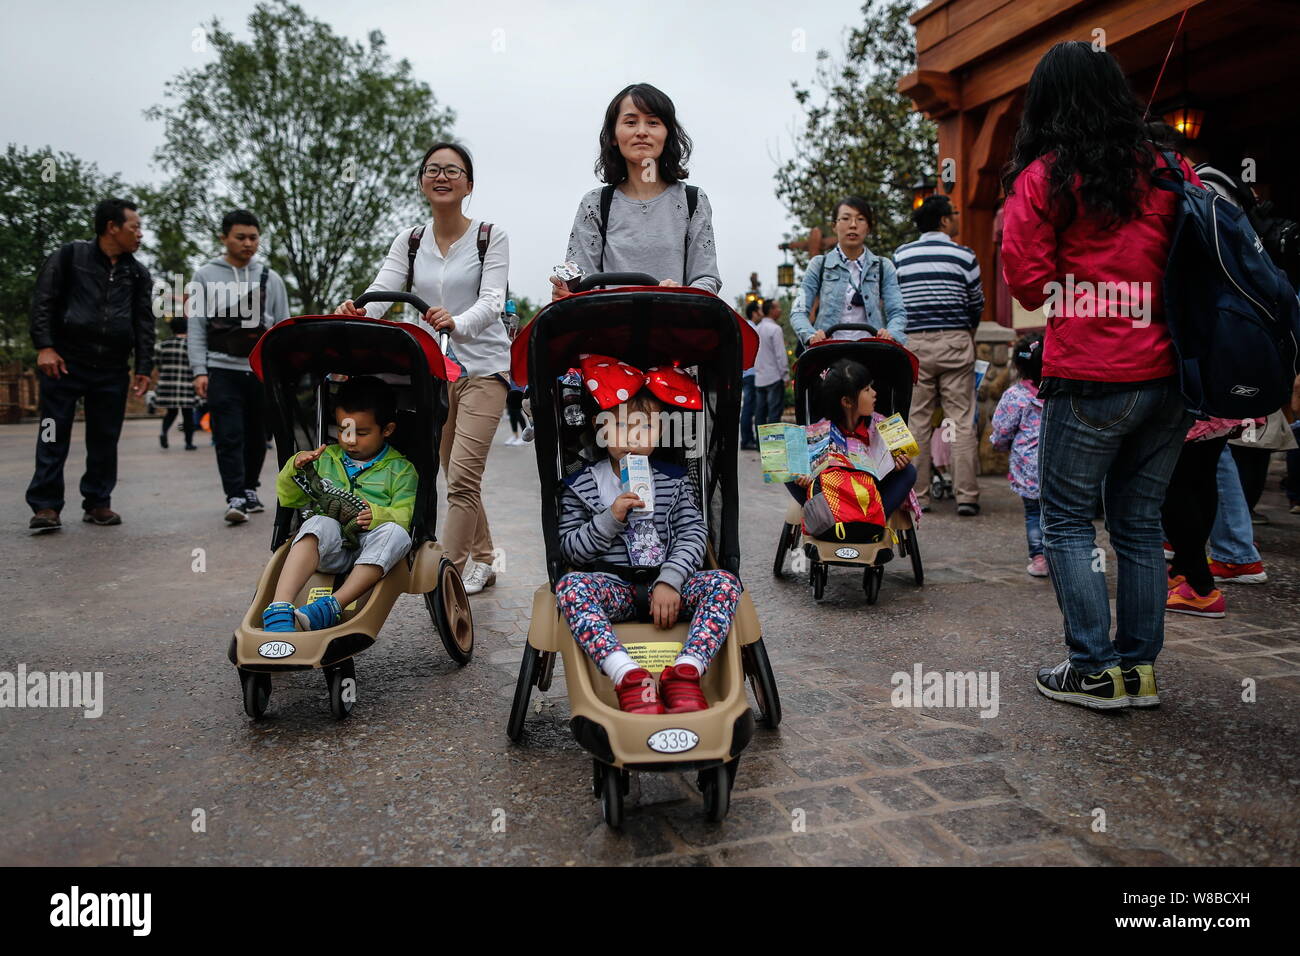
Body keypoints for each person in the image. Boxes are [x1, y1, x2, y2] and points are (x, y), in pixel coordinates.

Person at [1001, 41, 1203, 711]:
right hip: (1173, 374)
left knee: (1065, 524)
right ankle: (1138, 670)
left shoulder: (1047, 177)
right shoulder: (1174, 168)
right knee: (1141, 525)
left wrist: (1086, 290)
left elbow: (1026, 279)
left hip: (1091, 373)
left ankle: (1091, 668)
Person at [337, 142, 510, 596]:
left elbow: (493, 301)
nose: (442, 177)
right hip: (431, 373)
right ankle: (486, 559)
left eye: (453, 171)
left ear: (468, 185)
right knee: (453, 471)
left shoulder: (491, 236)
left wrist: (458, 320)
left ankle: (442, 574)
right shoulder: (410, 240)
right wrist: (357, 314)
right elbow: (383, 290)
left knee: (464, 477)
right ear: (421, 182)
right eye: (432, 169)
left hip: (483, 369)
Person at [554, 373, 740, 715]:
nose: (634, 439)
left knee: (725, 584)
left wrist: (671, 579)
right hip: (611, 586)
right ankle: (625, 674)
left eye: (646, 429)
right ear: (601, 427)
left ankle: (687, 670)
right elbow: (571, 549)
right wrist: (610, 517)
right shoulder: (580, 486)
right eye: (623, 427)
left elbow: (693, 533)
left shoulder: (673, 480)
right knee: (570, 587)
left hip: (670, 585)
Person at [27, 198, 155, 534]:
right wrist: (45, 347)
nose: (140, 234)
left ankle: (98, 502)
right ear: (112, 227)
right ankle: (45, 505)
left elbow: (144, 323)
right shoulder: (69, 257)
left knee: (104, 438)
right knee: (53, 433)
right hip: (65, 363)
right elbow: (43, 301)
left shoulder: (138, 273)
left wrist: (143, 365)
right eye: (135, 227)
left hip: (111, 369)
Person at [261, 376, 418, 633]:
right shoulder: (326, 459)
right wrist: (297, 466)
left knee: (397, 533)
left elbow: (406, 513)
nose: (350, 440)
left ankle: (332, 606)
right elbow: (291, 499)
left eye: (362, 433)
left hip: (373, 551)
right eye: (344, 431)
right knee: (316, 522)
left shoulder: (401, 470)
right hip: (328, 549)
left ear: (387, 430)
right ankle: (279, 607)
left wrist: (377, 514)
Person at [551, 82, 720, 300]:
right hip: (607, 327)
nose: (641, 132)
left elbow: (706, 278)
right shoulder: (594, 204)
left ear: (668, 133)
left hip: (672, 324)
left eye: (653, 122)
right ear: (613, 135)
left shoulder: (693, 201)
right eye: (631, 122)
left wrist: (679, 293)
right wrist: (566, 290)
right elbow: (580, 280)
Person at [189, 210, 291, 525]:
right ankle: (234, 494)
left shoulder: (271, 278)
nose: (248, 244)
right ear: (224, 238)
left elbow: (282, 326)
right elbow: (197, 326)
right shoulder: (204, 276)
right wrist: (199, 370)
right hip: (221, 370)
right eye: (240, 237)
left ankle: (249, 487)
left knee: (258, 435)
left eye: (253, 237)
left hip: (260, 370)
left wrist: (283, 370)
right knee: (228, 434)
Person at [894, 194, 985, 516]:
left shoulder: (902, 256)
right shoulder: (964, 255)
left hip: (915, 344)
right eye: (954, 214)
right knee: (961, 420)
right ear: (945, 220)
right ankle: (966, 496)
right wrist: (965, 331)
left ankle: (918, 493)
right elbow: (976, 302)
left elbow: (894, 303)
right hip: (955, 340)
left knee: (917, 420)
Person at [787, 359, 919, 523]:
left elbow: (900, 461)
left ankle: (874, 521)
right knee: (787, 468)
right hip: (833, 500)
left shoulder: (884, 425)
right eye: (866, 389)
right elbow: (809, 474)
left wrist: (899, 463)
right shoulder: (820, 432)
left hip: (872, 498)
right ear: (847, 402)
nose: (874, 393)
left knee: (908, 472)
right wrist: (804, 478)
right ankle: (825, 518)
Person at [789, 196, 908, 349]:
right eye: (845, 218)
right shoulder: (819, 265)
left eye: (860, 219)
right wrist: (811, 335)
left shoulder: (884, 266)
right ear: (834, 226)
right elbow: (798, 311)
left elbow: (898, 312)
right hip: (828, 352)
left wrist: (891, 333)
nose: (853, 225)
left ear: (869, 227)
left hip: (873, 352)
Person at [989, 334, 1045, 577]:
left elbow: (1002, 430)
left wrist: (999, 446)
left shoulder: (1015, 396)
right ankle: (1066, 556)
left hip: (1028, 469)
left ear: (1017, 365)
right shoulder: (1061, 393)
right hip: (1062, 464)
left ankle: (1040, 558)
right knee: (1063, 514)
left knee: (1033, 513)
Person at [153, 316, 198, 450]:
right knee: (188, 415)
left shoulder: (163, 345)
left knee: (171, 413)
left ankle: (164, 432)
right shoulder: (190, 345)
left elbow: (157, 364)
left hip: (168, 384)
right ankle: (188, 443)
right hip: (186, 385)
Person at [752, 299, 789, 427]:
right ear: (771, 310)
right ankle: (772, 445)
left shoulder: (756, 329)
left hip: (759, 377)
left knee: (760, 413)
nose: (780, 310)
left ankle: (760, 444)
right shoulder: (775, 329)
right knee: (774, 413)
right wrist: (785, 375)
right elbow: (780, 355)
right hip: (774, 376)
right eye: (778, 307)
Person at [739, 300, 760, 450]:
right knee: (749, 406)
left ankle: (747, 438)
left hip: (746, 372)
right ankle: (747, 439)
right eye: (759, 310)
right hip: (751, 372)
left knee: (748, 405)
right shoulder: (753, 329)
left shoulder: (745, 327)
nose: (762, 313)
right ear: (754, 313)